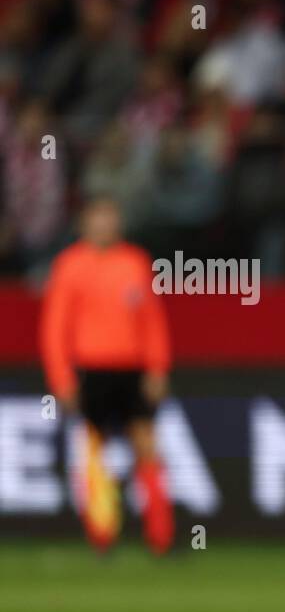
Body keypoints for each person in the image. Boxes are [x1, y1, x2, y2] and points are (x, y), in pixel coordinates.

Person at [39, 196, 174, 554]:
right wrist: (62, 380)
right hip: (92, 369)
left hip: (132, 369)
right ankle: (102, 534)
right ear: (84, 224)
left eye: (110, 217)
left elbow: (152, 322)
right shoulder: (69, 266)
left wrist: (157, 368)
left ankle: (161, 537)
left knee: (147, 445)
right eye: (98, 218)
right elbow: (55, 330)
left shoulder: (135, 262)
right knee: (95, 450)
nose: (105, 224)